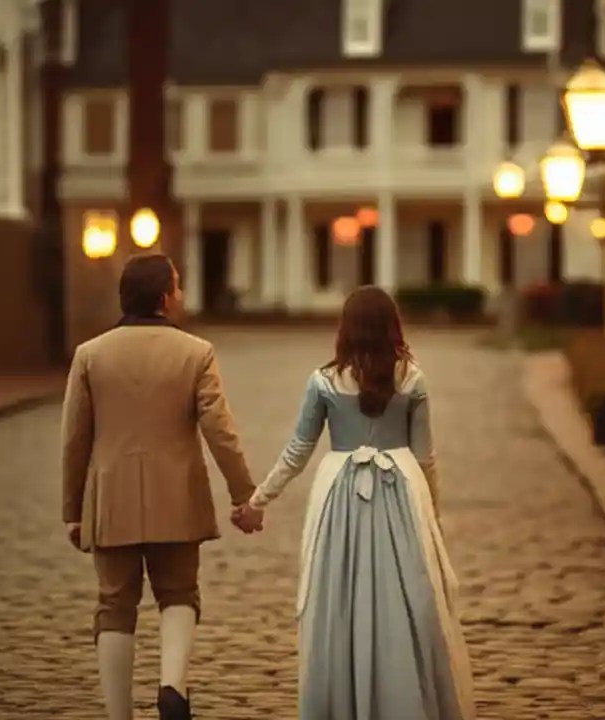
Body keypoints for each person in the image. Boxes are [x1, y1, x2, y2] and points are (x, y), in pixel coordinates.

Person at [231, 286, 476, 719]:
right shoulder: (412, 379)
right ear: (391, 327)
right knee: (406, 596)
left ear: (345, 329)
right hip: (403, 492)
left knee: (340, 600)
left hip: (338, 495)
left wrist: (258, 500)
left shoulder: (323, 382)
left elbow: (298, 451)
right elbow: (425, 458)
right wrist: (432, 516)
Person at [61, 254, 263, 720]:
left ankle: (119, 714)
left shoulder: (90, 355)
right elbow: (220, 429)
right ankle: (172, 685)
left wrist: (73, 509)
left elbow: (75, 438)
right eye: (179, 286)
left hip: (110, 498)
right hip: (178, 497)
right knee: (178, 593)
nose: (183, 294)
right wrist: (243, 494)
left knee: (114, 604)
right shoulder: (195, 353)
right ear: (165, 297)